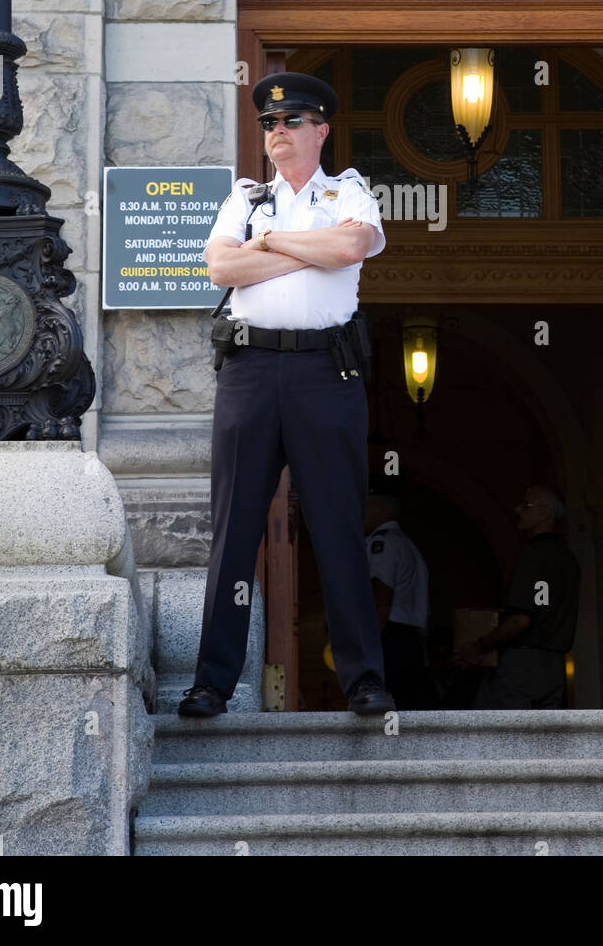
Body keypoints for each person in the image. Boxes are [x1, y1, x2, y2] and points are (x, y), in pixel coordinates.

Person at [178, 72, 396, 718]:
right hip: (249, 371)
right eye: (270, 123)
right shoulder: (243, 199)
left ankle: (361, 679)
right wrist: (307, 252)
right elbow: (221, 267)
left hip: (325, 374)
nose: (277, 131)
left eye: (292, 120)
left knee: (336, 528)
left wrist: (267, 246)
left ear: (320, 130)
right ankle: (212, 682)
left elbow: (353, 244)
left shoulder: (346, 191)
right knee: (233, 530)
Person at [454, 484, 580, 709]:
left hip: (522, 666)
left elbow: (520, 620)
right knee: (543, 739)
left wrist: (480, 645)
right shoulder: (568, 560)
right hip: (555, 668)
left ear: (545, 513)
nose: (517, 509)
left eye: (526, 505)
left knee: (506, 738)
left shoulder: (532, 556)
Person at [366, 487, 436, 709]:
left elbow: (381, 600)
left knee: (385, 710)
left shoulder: (382, 542)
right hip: (411, 641)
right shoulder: (408, 545)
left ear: (378, 509)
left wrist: (367, 648)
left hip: (391, 639)